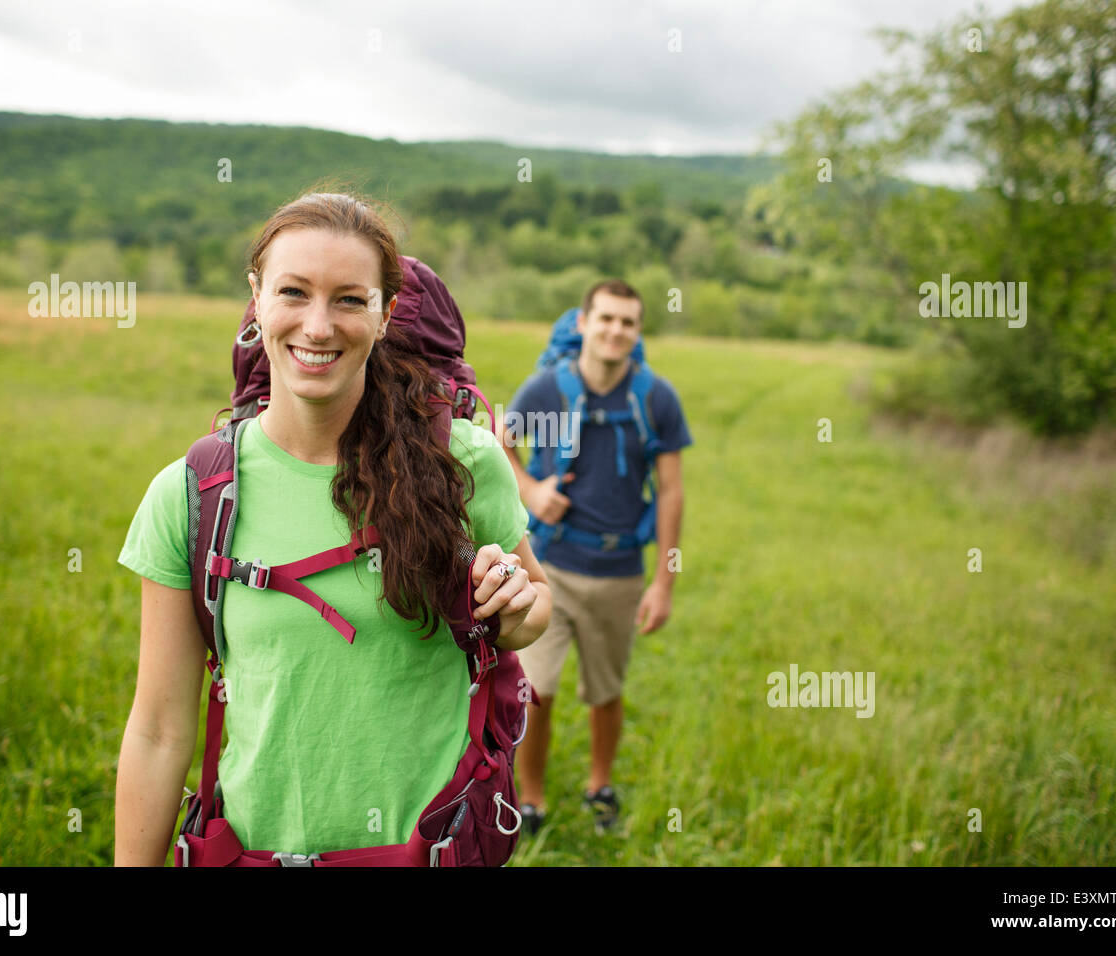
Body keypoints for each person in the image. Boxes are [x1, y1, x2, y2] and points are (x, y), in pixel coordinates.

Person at [113, 191, 551, 865]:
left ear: (385, 315)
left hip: (425, 851)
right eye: (294, 292)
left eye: (350, 299)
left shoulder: (463, 462)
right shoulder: (192, 495)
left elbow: (531, 605)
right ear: (256, 300)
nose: (318, 326)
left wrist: (516, 607)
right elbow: (158, 730)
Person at [498, 279, 691, 834]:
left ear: (638, 331)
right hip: (550, 567)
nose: (616, 330)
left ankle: (599, 787)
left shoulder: (656, 397)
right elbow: (500, 444)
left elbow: (672, 490)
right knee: (536, 692)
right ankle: (530, 797)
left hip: (620, 572)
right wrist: (532, 493)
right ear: (583, 323)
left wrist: (664, 582)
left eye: (628, 322)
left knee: (606, 692)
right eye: (606, 319)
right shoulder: (544, 390)